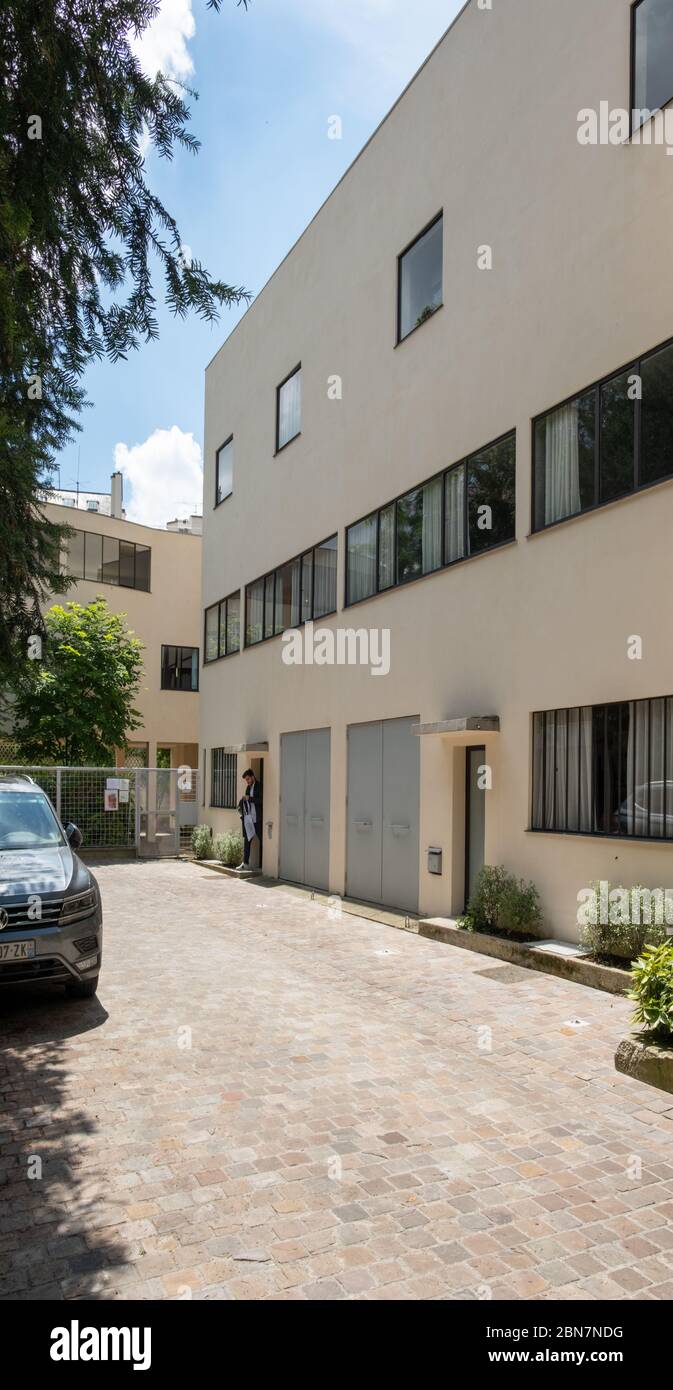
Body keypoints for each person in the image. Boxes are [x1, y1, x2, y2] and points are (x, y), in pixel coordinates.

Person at [236, 768, 262, 871]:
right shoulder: (248, 787)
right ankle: (245, 863)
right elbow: (246, 800)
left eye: (248, 779)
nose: (247, 781)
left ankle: (266, 865)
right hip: (249, 819)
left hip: (258, 819)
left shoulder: (259, 786)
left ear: (252, 777)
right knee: (247, 841)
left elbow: (261, 800)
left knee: (262, 840)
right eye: (246, 780)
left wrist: (249, 799)